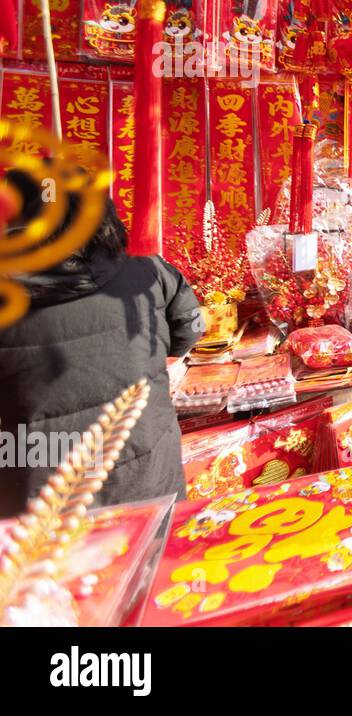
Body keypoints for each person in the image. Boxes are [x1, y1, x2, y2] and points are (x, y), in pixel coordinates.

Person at [0, 186, 205, 518]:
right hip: (147, 477)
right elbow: (190, 325)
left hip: (41, 495)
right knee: (155, 560)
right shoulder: (146, 271)